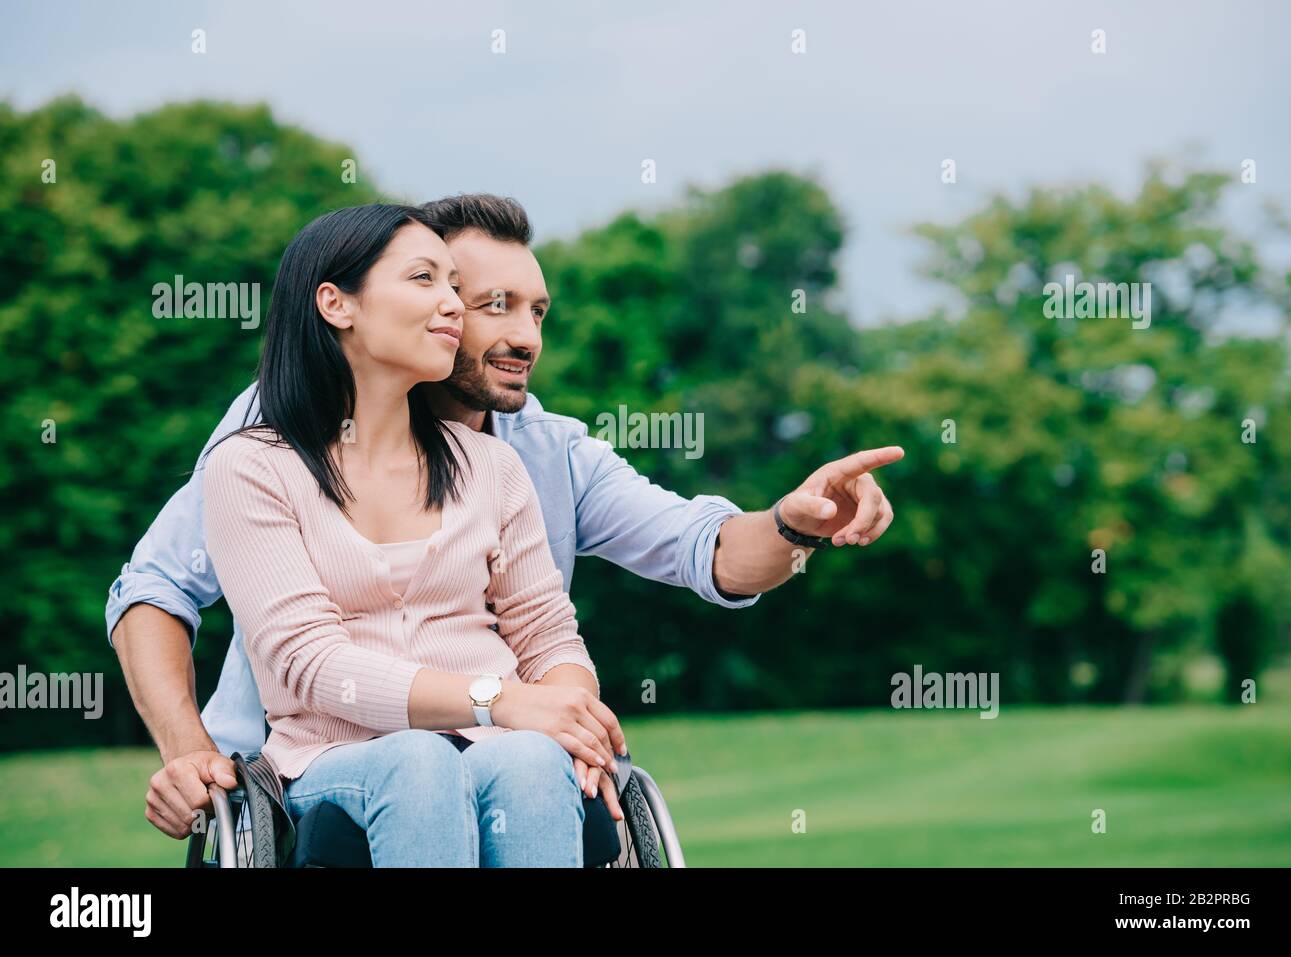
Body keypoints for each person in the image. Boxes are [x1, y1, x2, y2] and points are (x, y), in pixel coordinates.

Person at [107, 193, 903, 847]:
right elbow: (155, 587)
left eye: (538, 310)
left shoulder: (525, 455)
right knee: (418, 765)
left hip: (496, 749)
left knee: (528, 767)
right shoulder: (268, 438)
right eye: (489, 302)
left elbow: (706, 552)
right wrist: (191, 758)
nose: (524, 335)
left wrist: (797, 524)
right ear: (345, 304)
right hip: (299, 767)